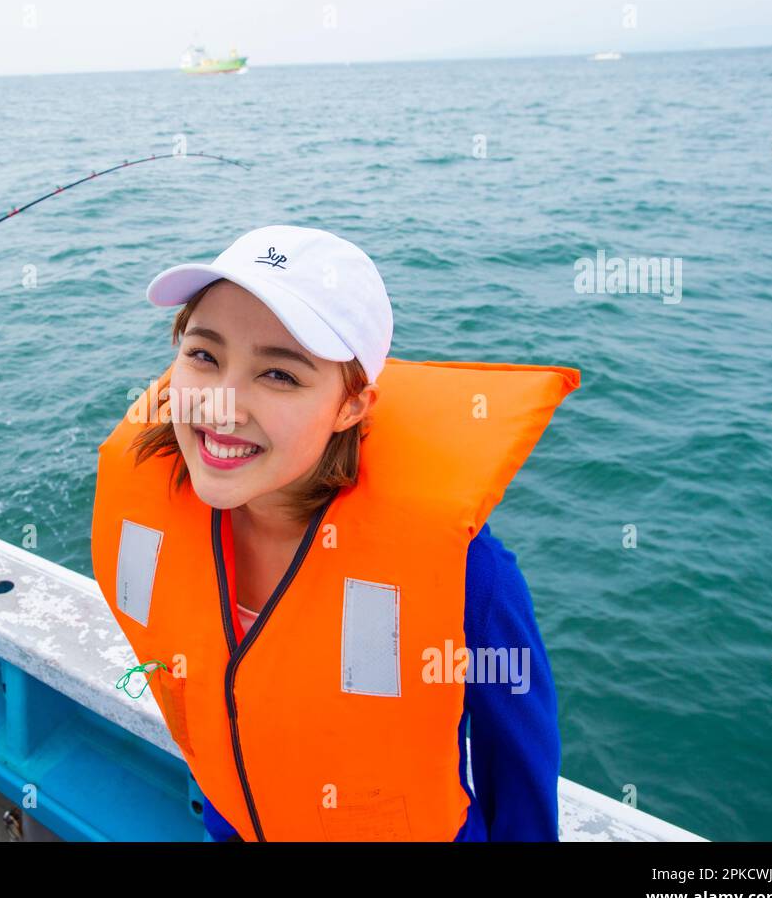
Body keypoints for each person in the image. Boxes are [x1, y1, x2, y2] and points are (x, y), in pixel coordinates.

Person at [91, 225, 580, 841]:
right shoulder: (154, 507)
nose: (220, 404)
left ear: (351, 406)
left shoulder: (471, 576)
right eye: (204, 356)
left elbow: (520, 767)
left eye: (280, 376)